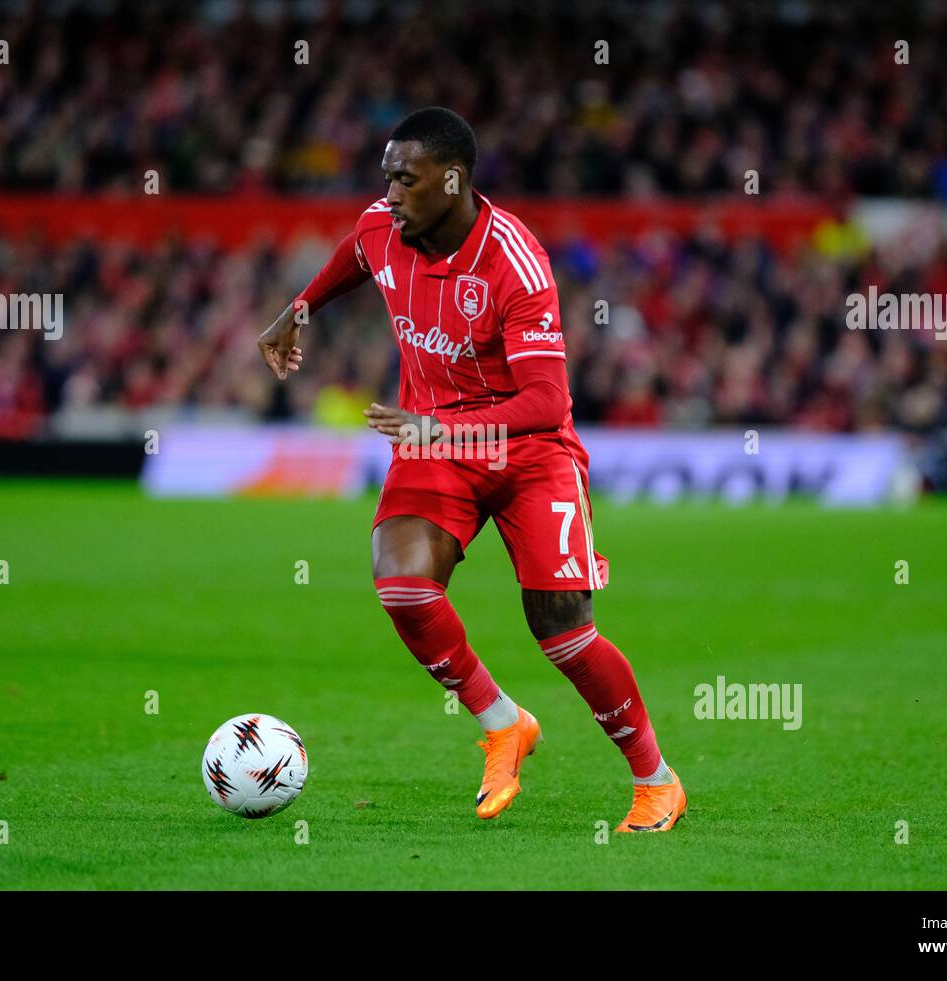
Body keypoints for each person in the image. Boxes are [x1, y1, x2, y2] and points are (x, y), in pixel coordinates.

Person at [257, 108, 685, 832]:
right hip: (436, 445)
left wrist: (441, 427)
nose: (388, 192)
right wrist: (300, 307)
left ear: (452, 180)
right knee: (401, 585)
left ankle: (656, 779)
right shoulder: (382, 229)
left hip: (528, 453)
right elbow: (355, 256)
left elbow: (546, 401)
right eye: (386, 175)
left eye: (405, 177)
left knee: (562, 631)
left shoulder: (512, 260)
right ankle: (503, 722)